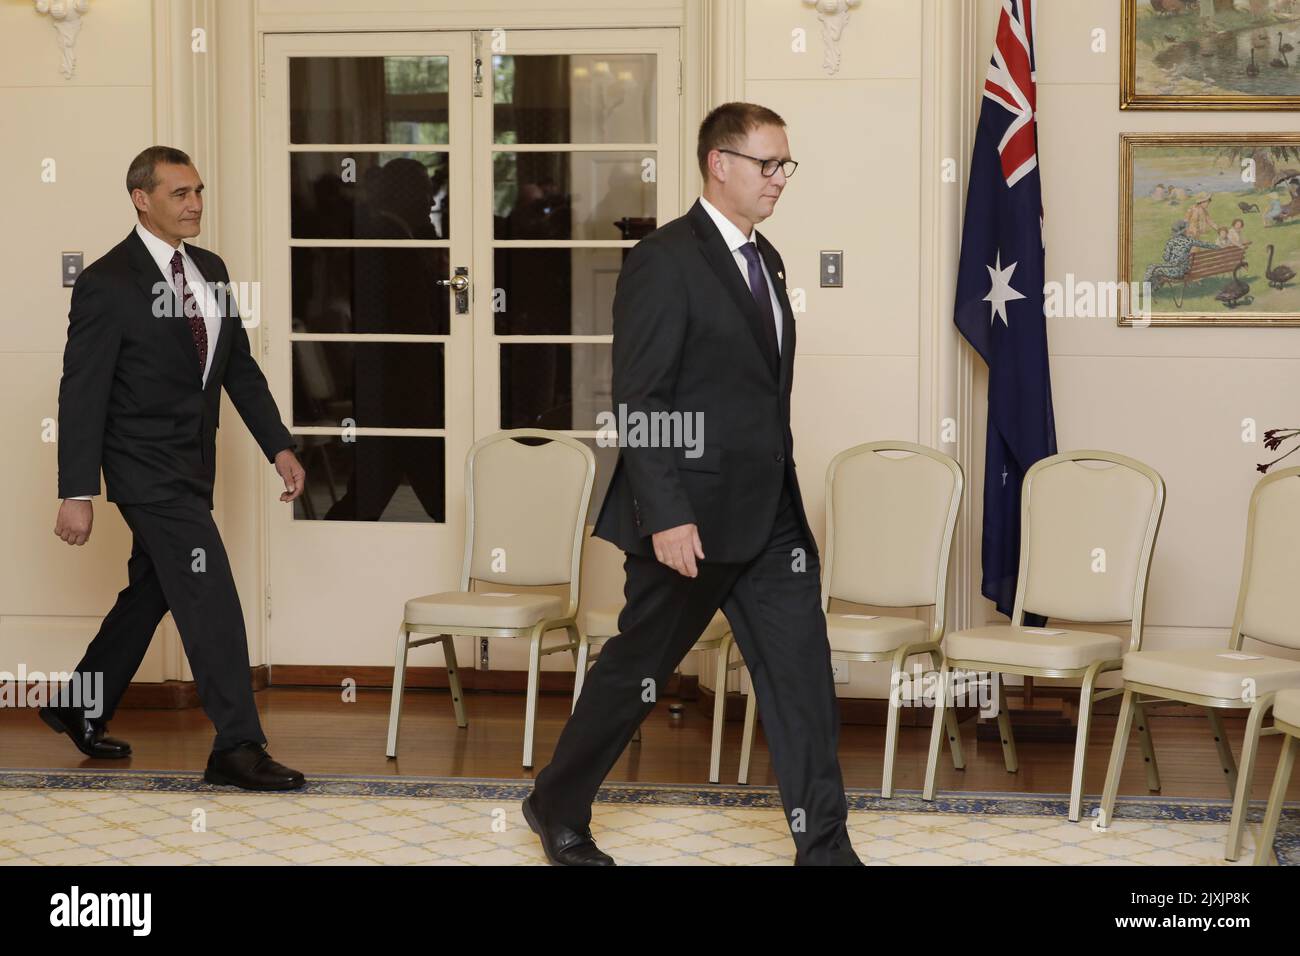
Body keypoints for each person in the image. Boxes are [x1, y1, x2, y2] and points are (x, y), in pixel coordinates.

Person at [522, 102, 863, 866]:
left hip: (771, 520)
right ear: (719, 163)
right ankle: (555, 804)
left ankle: (827, 850)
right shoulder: (663, 259)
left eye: (786, 165)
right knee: (635, 674)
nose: (781, 178)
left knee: (802, 684)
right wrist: (667, 514)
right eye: (768, 163)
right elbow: (639, 399)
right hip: (691, 521)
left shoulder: (766, 259)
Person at [46, 145, 308, 791]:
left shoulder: (211, 269)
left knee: (155, 588)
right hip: (142, 469)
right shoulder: (107, 282)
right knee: (208, 593)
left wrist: (279, 445)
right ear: (142, 198)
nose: (194, 204)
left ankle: (79, 702)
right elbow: (81, 392)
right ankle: (237, 747)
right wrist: (77, 490)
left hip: (194, 463)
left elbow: (237, 369)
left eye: (198, 192)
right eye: (179, 194)